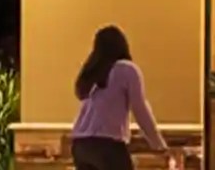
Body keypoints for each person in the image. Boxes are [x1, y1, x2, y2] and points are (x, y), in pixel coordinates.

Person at [71, 26, 168, 170]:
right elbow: (140, 109)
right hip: (108, 145)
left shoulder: (93, 73)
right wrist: (158, 144)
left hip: (81, 145)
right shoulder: (127, 69)